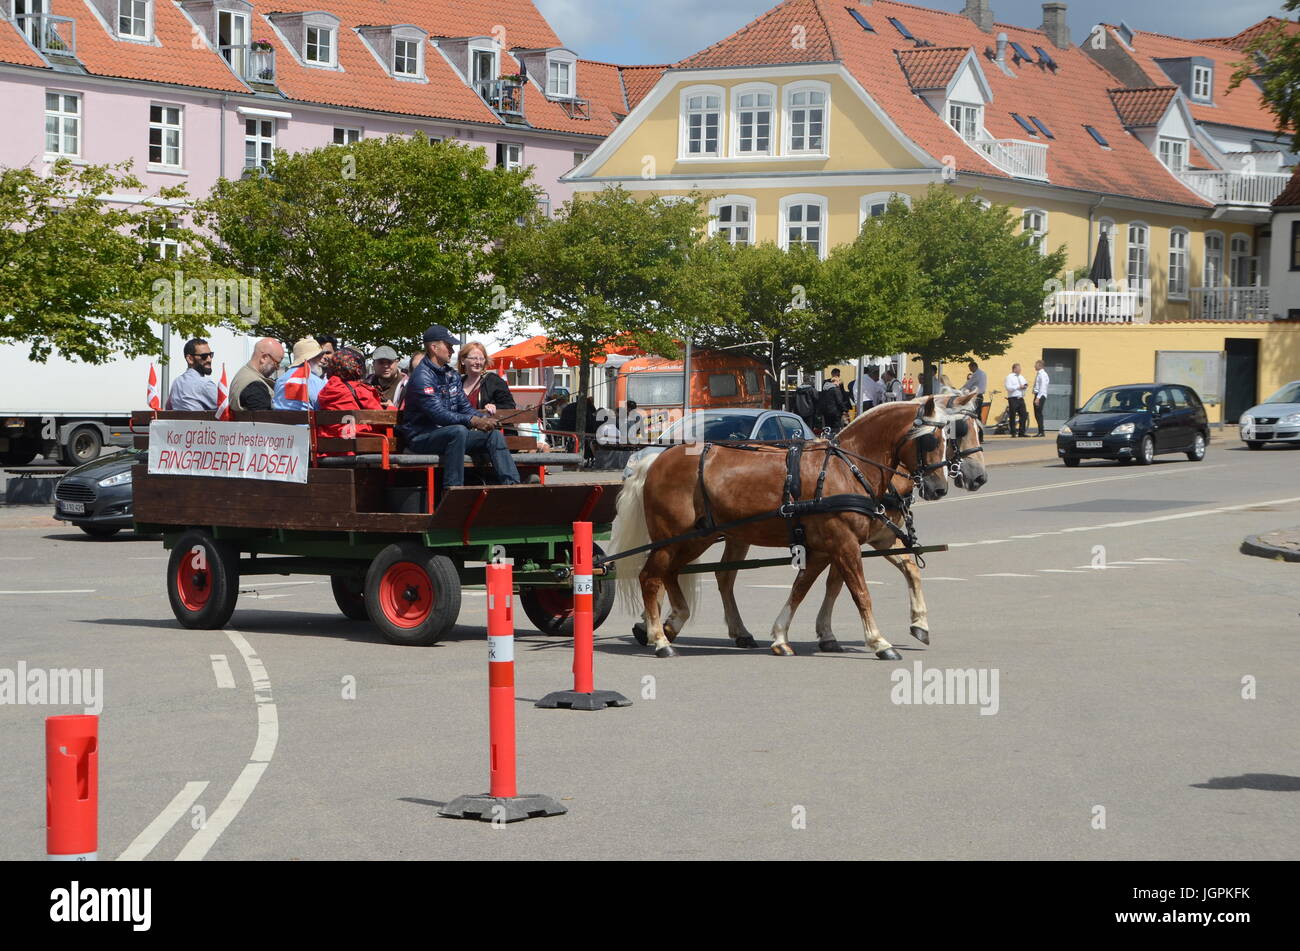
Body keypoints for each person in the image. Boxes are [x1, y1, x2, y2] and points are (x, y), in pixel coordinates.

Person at [399, 324, 519, 488]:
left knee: (494, 435)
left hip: (449, 435)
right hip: (421, 437)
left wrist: (485, 419)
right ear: (434, 347)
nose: (452, 350)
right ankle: (453, 489)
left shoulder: (451, 374)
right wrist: (473, 421)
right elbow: (438, 414)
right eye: (448, 346)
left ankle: (512, 486)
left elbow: (464, 407)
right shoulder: (422, 377)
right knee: (458, 431)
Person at [315, 348, 383, 454]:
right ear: (356, 367)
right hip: (357, 447)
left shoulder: (325, 390)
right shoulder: (360, 390)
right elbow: (381, 419)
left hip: (329, 448)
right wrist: (391, 407)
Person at [457, 342, 515, 417]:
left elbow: (510, 406)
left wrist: (495, 407)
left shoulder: (494, 381)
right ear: (462, 360)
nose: (478, 362)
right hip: (461, 426)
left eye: (481, 359)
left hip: (488, 427)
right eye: (474, 358)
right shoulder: (457, 383)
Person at [229, 338, 285, 411]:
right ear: (264, 358)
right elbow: (264, 419)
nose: (277, 368)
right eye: (276, 363)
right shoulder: (255, 385)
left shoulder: (244, 375)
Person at [273, 337, 328, 410]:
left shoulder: (280, 380)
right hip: (306, 421)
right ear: (310, 358)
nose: (322, 358)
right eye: (319, 355)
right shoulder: (317, 382)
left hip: (279, 420)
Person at [166, 338, 218, 411]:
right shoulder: (206, 384)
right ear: (190, 359)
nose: (209, 359)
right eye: (204, 356)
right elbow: (225, 410)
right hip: (200, 422)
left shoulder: (177, 382)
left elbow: (168, 408)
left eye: (210, 355)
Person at [1004, 362, 1029, 437]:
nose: (1020, 370)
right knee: (1012, 415)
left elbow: (1025, 383)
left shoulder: (1021, 376)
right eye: (1019, 368)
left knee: (1024, 415)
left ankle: (1022, 432)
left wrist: (1025, 386)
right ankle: (1013, 432)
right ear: (1014, 369)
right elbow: (1008, 387)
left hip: (1021, 398)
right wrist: (1018, 387)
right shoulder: (1009, 377)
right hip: (1013, 398)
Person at [1033, 359, 1050, 437]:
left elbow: (1042, 386)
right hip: (1038, 394)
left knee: (1038, 414)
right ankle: (1040, 431)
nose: (1034, 366)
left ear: (1040, 365)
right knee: (1037, 414)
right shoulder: (1040, 374)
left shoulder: (1042, 374)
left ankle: (1041, 432)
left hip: (1040, 395)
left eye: (1036, 364)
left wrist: (1038, 398)